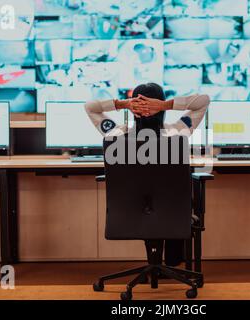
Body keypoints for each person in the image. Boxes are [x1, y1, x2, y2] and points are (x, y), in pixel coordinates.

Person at [85, 83, 210, 267]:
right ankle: (171, 263)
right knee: (175, 198)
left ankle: (157, 265)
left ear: (133, 109)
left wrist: (123, 104)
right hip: (172, 212)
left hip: (129, 212)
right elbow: (203, 101)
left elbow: (89, 106)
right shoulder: (178, 131)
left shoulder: (117, 133)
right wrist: (164, 105)